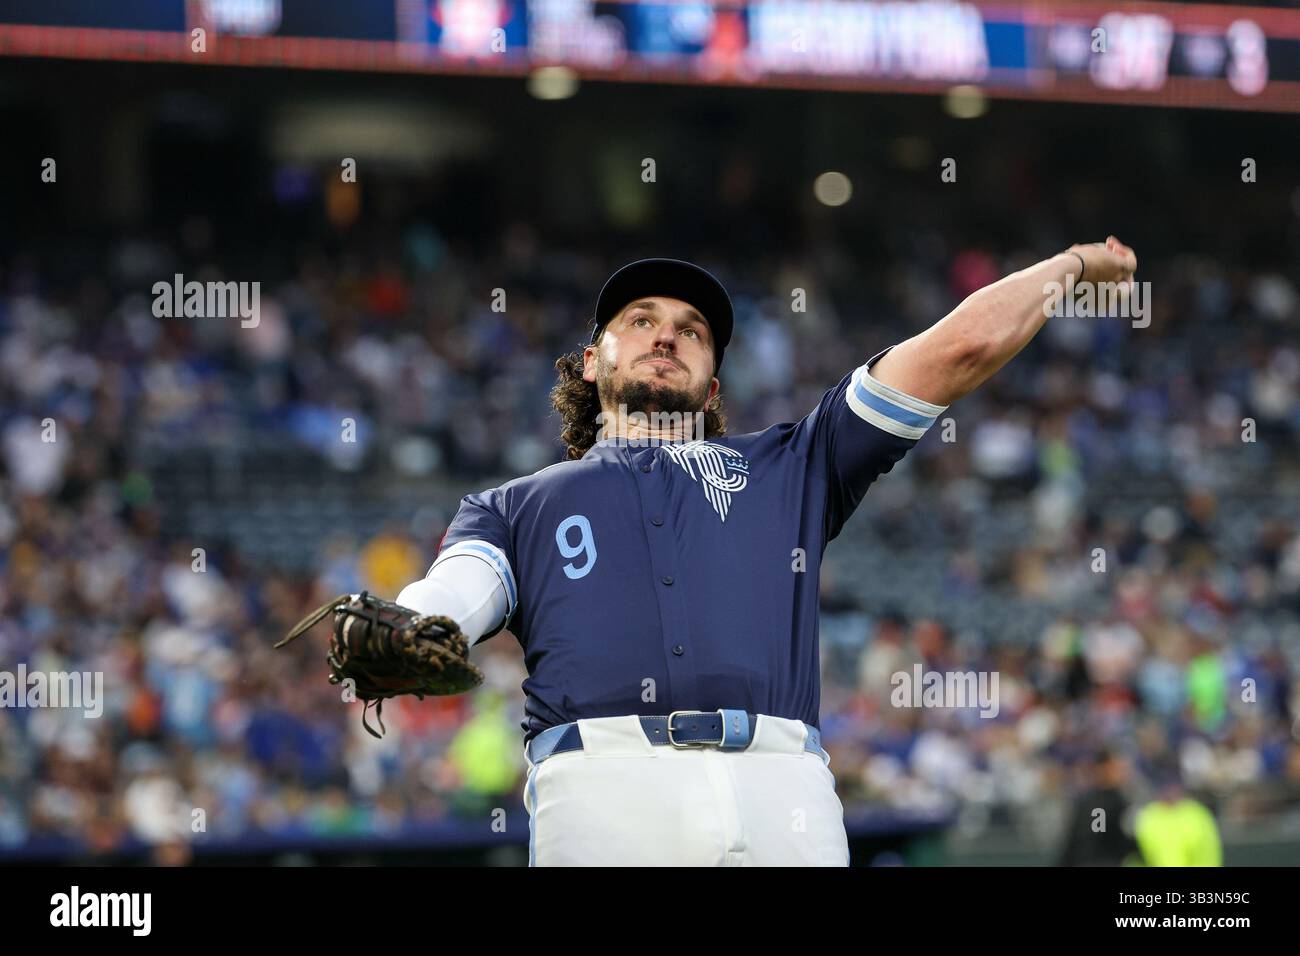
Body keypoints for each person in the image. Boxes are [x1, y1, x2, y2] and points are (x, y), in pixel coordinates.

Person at [396, 242, 1139, 865]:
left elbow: (959, 349)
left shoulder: (795, 466)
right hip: (605, 788)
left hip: (785, 786)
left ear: (713, 381)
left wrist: (1068, 265)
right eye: (641, 320)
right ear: (591, 361)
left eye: (691, 330)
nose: (666, 335)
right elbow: (454, 593)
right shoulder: (512, 506)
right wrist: (410, 626)